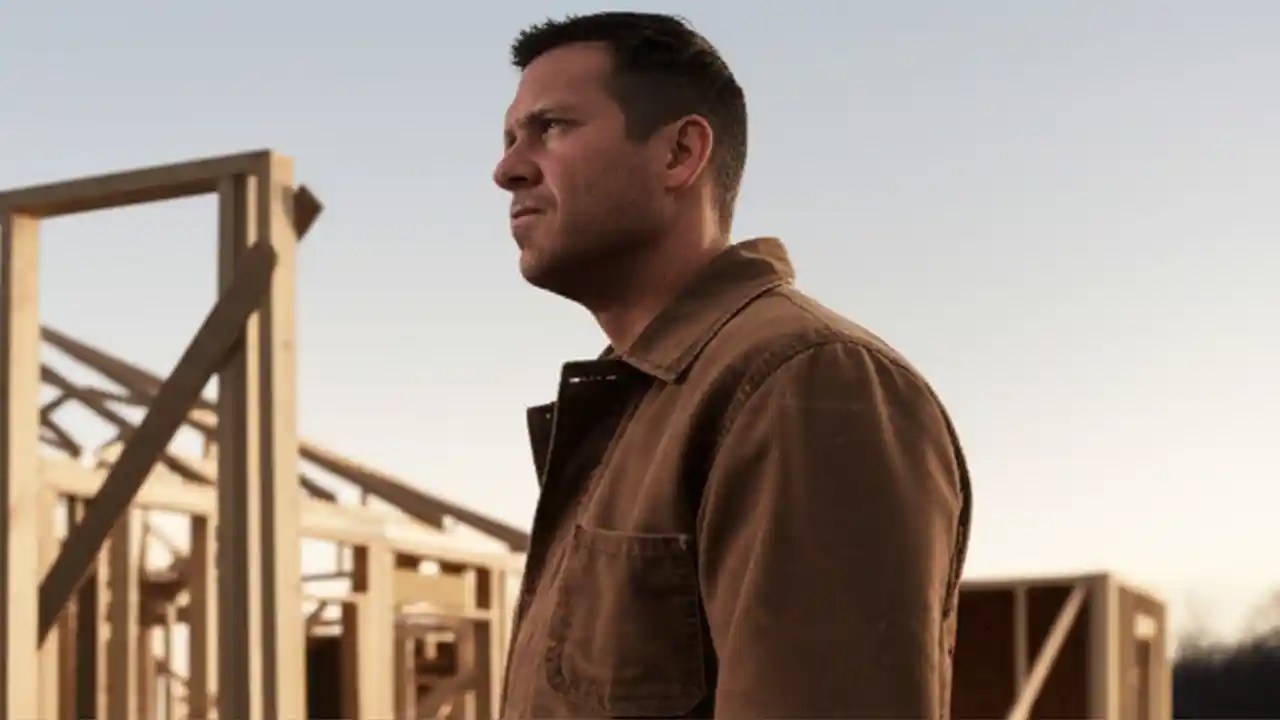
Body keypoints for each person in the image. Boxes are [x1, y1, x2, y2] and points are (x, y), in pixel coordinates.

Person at [492, 11, 972, 719]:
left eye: (552, 127)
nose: (507, 169)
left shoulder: (804, 384)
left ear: (680, 154)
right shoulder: (647, 406)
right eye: (509, 139)